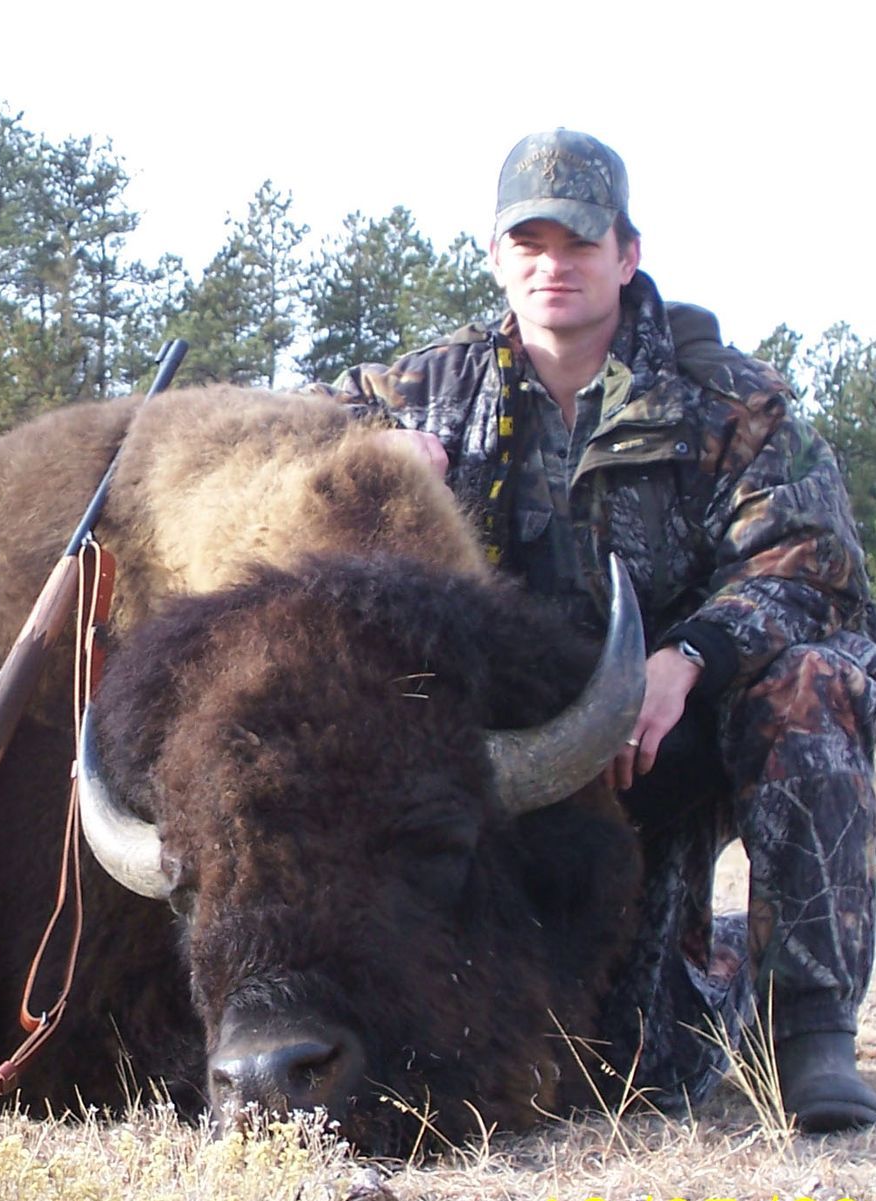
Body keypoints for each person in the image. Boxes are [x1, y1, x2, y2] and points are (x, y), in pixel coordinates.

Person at [311, 128, 876, 1133]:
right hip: (504, 769)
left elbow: (811, 567)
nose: (549, 264)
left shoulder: (726, 399)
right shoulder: (419, 390)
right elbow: (264, 445)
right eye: (525, 243)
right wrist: (357, 457)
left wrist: (686, 659)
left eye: (575, 243)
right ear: (494, 258)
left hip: (667, 748)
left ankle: (812, 1027)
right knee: (627, 1074)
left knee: (815, 680)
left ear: (625, 253)